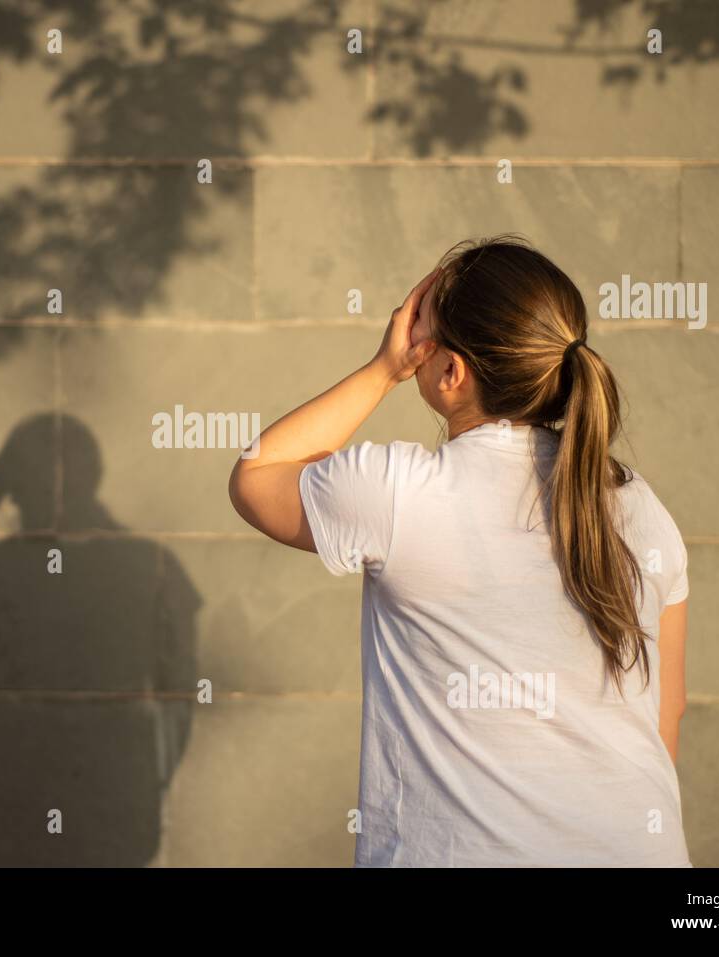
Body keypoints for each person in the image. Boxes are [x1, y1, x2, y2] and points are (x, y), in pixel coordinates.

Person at [228, 235, 691, 867]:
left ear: (451, 373)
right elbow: (669, 704)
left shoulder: (399, 492)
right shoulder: (641, 507)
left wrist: (382, 369)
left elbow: (257, 475)